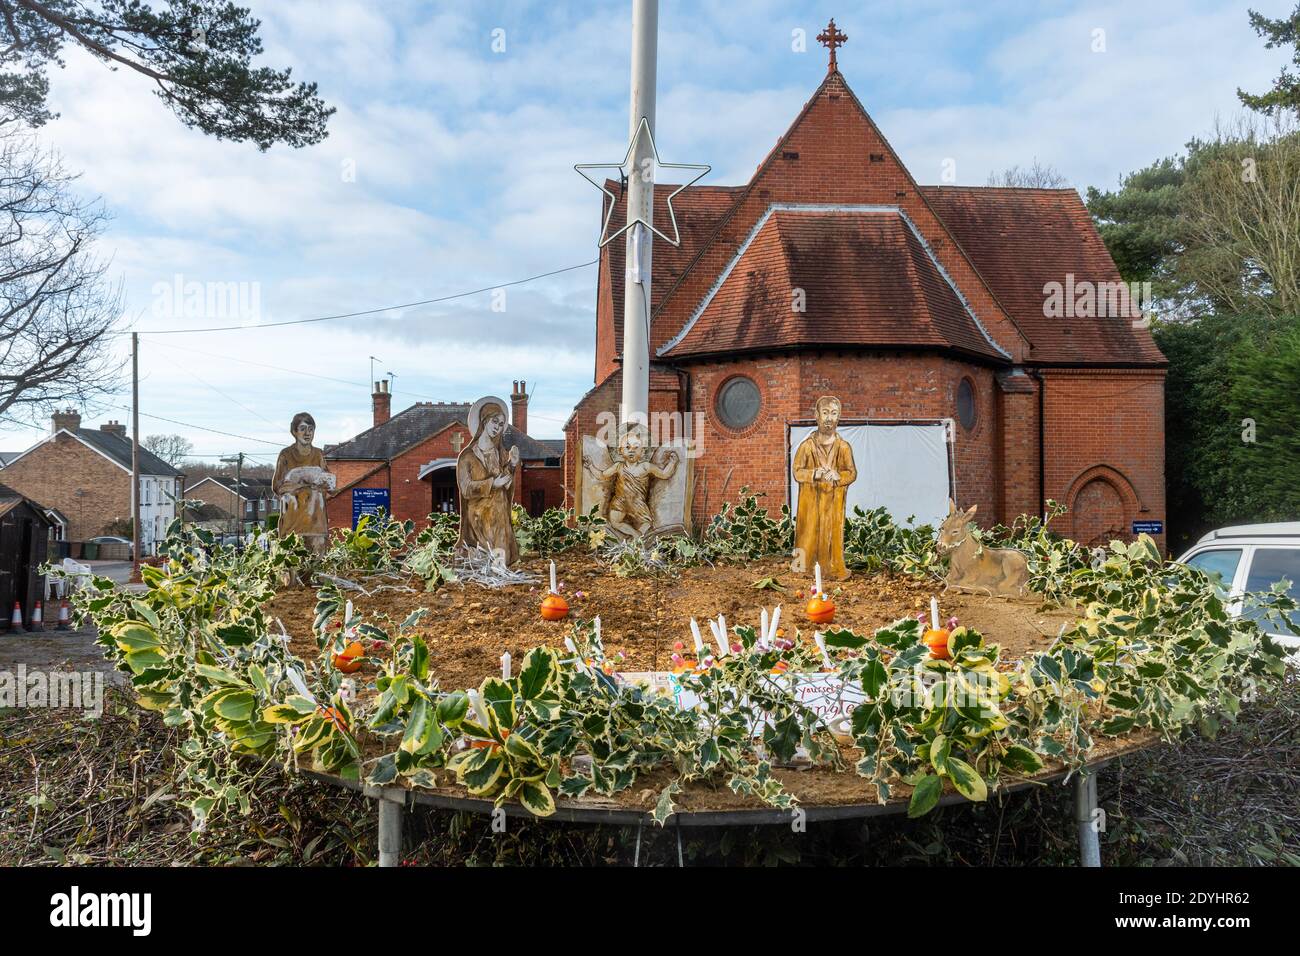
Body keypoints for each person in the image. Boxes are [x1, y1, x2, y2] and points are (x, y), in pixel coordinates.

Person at [792, 396, 857, 580]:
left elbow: (851, 473)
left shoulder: (843, 447)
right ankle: (800, 569)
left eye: (834, 413)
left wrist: (839, 476)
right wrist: (814, 474)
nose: (829, 418)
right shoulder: (806, 447)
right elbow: (797, 472)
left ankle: (834, 570)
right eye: (825, 413)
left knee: (832, 538)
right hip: (810, 504)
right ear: (817, 415)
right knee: (807, 534)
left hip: (833, 505)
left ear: (839, 417)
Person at [455, 397, 520, 566]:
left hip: (499, 516)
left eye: (501, 424)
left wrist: (512, 465)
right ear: (484, 420)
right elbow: (465, 489)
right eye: (495, 421)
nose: (497, 427)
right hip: (478, 518)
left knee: (500, 564)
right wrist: (492, 484)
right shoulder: (467, 455)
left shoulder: (500, 453)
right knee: (482, 562)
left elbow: (506, 483)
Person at [582, 426, 679, 538]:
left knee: (647, 523)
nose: (631, 450)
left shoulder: (645, 467)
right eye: (627, 447)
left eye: (636, 447)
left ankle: (637, 538)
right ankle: (635, 535)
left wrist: (672, 463)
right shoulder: (618, 466)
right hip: (620, 501)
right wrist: (590, 466)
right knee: (615, 521)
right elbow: (603, 475)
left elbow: (664, 474)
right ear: (620, 451)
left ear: (642, 452)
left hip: (638, 502)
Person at [272, 412, 333, 553]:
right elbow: (276, 486)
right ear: (294, 431)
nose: (307, 433)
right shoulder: (286, 454)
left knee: (316, 566)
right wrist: (295, 485)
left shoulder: (318, 454)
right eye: (303, 429)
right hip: (293, 523)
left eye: (311, 429)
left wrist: (327, 483)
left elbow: (329, 484)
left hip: (316, 523)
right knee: (293, 567)